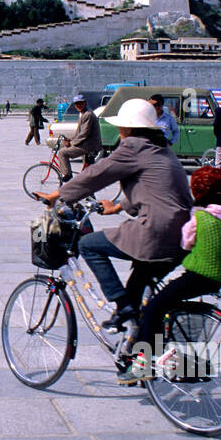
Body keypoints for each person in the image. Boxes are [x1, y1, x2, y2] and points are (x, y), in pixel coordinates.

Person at [36, 98, 193, 315]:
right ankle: (137, 339)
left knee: (89, 245)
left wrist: (57, 195)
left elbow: (97, 174)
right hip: (182, 235)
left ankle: (121, 307)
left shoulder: (134, 146)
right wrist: (117, 207)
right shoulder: (160, 148)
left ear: (128, 126)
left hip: (157, 232)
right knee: (138, 291)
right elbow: (155, 193)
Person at [117, 165, 221, 383]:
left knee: (154, 307)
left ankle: (143, 363)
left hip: (196, 276)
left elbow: (186, 242)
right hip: (218, 280)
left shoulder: (200, 219)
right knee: (170, 305)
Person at [56, 92, 103, 181]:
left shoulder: (88, 115)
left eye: (81, 103)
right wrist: (70, 139)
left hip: (89, 146)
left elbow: (84, 134)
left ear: (85, 103)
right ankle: (89, 193)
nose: (79, 105)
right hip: (88, 144)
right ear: (74, 105)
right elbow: (79, 133)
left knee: (62, 153)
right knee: (86, 174)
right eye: (77, 104)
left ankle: (67, 174)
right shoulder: (83, 114)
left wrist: (72, 143)